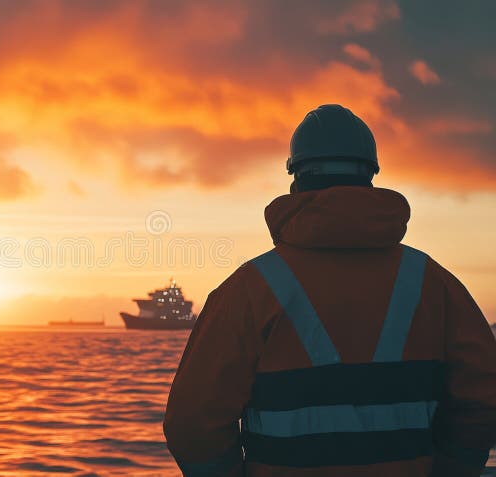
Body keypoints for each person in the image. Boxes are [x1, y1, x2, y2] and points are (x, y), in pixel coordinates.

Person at [164, 104, 496, 477]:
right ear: (371, 176)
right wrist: (451, 468)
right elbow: (484, 398)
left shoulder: (248, 291)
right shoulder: (435, 284)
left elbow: (191, 424)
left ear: (295, 180)